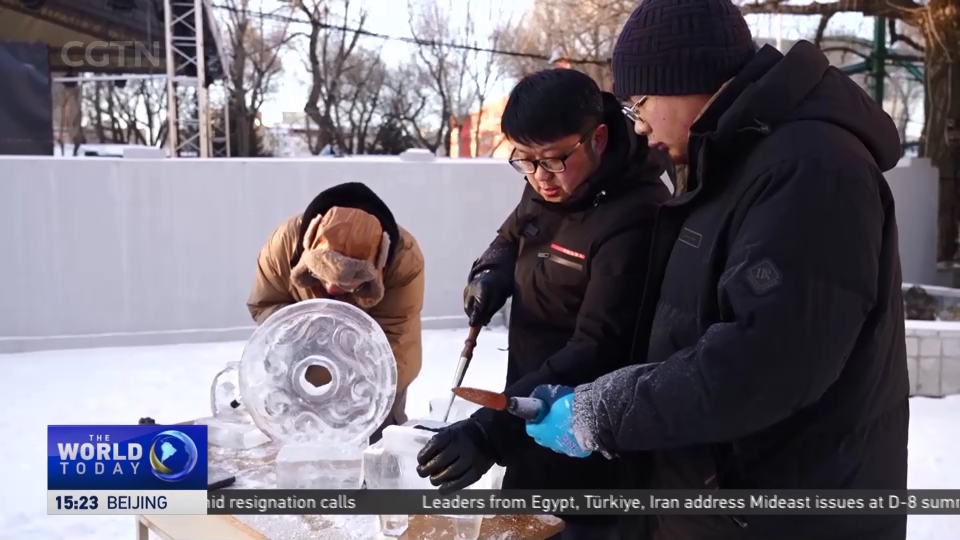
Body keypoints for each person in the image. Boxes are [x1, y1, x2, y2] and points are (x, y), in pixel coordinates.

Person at [524, 1, 909, 540]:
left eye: (640, 103)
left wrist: (606, 411)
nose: (639, 128)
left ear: (685, 79)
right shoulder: (732, 162)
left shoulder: (812, 169)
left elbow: (765, 364)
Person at [415, 68, 671, 540]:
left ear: (597, 137)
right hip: (525, 420)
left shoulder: (637, 218)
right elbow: (514, 234)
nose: (538, 177)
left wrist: (488, 430)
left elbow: (597, 350)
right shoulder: (550, 179)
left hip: (589, 446)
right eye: (524, 161)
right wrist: (490, 273)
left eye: (551, 160)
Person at [247, 182, 425, 442]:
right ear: (308, 244)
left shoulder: (403, 259)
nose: (330, 288)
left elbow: (395, 341)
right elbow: (263, 304)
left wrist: (359, 399)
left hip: (371, 375)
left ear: (378, 265)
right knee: (299, 451)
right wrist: (304, 332)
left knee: (375, 446)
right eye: (321, 275)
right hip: (297, 370)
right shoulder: (284, 245)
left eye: (346, 282)